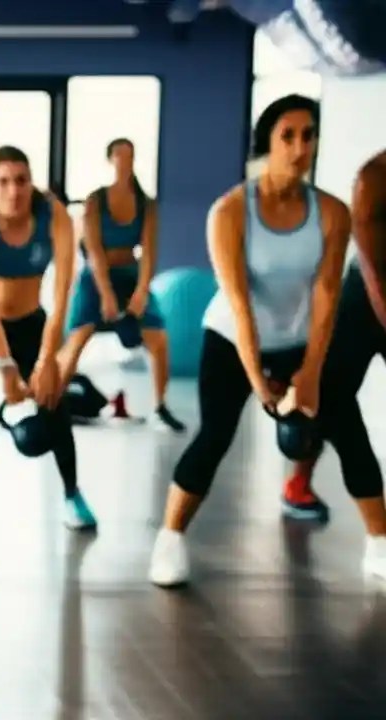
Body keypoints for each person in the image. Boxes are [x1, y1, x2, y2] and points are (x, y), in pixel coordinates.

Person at [149, 95, 386, 587]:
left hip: (301, 341)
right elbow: (239, 303)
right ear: (267, 143)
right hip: (232, 340)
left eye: (309, 135)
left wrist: (311, 373)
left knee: (349, 430)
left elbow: (325, 298)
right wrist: (259, 380)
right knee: (215, 435)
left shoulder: (332, 213)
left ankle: (380, 546)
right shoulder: (231, 211)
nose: (301, 147)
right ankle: (169, 540)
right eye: (288, 135)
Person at [0, 145, 98, 531]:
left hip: (31, 322)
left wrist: (47, 358)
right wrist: (3, 366)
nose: (14, 190)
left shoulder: (52, 214)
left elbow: (63, 292)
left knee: (55, 408)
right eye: (3, 181)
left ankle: (72, 494)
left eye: (21, 180)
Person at [279, 149, 386, 523]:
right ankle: (297, 484)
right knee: (328, 394)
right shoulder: (374, 176)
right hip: (366, 295)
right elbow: (373, 266)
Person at [57, 138, 185, 433]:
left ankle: (161, 407)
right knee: (77, 340)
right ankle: (52, 404)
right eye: (118, 155)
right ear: (110, 159)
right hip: (97, 276)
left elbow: (149, 252)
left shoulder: (146, 204)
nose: (123, 161)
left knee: (159, 340)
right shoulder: (95, 201)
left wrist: (141, 291)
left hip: (131, 274)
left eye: (129, 155)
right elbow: (94, 251)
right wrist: (105, 294)